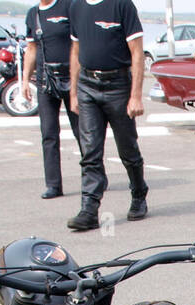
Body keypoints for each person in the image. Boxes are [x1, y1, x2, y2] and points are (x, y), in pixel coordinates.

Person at [67, 0, 147, 231]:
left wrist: (136, 96)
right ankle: (89, 210)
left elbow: (137, 53)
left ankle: (139, 195)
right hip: (87, 86)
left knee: (128, 149)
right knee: (90, 151)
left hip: (118, 86)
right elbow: (75, 51)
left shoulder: (122, 5)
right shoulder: (76, 6)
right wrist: (73, 93)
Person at [23, 0, 80, 199]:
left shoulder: (68, 7)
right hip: (46, 81)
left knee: (81, 131)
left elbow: (78, 43)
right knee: (49, 133)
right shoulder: (33, 14)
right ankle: (53, 185)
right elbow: (31, 49)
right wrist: (24, 81)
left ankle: (94, 176)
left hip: (70, 77)